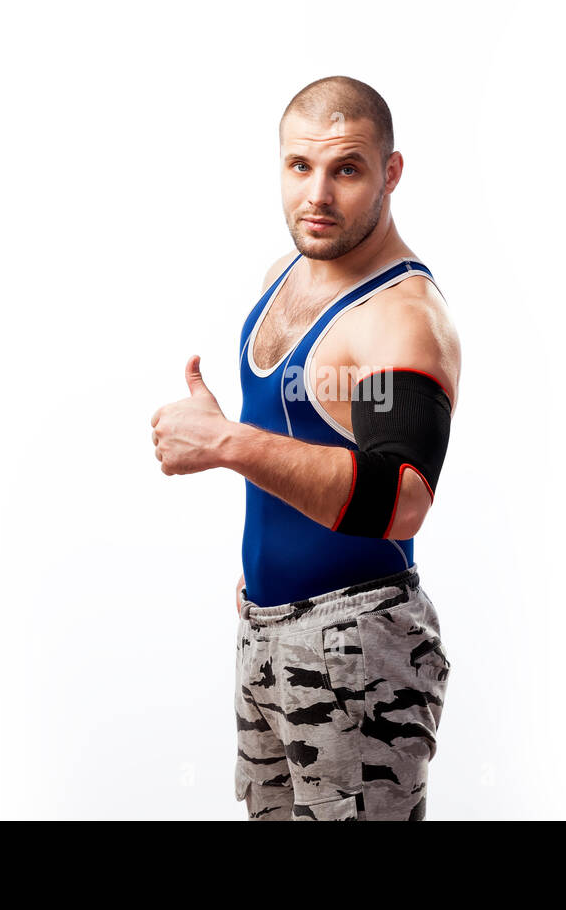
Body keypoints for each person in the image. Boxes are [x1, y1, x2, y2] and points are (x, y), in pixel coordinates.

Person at [150, 75, 461, 820]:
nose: (317, 194)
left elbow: (401, 495)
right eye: (300, 167)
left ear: (390, 173)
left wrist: (227, 441)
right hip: (266, 631)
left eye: (346, 169)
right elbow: (295, 442)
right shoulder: (285, 277)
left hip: (358, 650)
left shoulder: (397, 316)